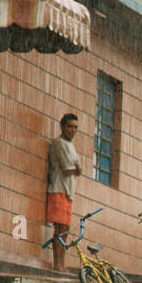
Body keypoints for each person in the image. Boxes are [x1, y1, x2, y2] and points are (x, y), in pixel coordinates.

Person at [47, 113, 81, 272]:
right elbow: (70, 169)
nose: (72, 130)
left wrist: (76, 168)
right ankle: (57, 264)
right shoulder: (59, 143)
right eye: (70, 126)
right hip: (58, 190)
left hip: (68, 193)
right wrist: (76, 168)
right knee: (60, 229)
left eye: (75, 127)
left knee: (65, 230)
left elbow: (77, 169)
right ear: (62, 127)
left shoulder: (71, 146)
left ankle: (62, 263)